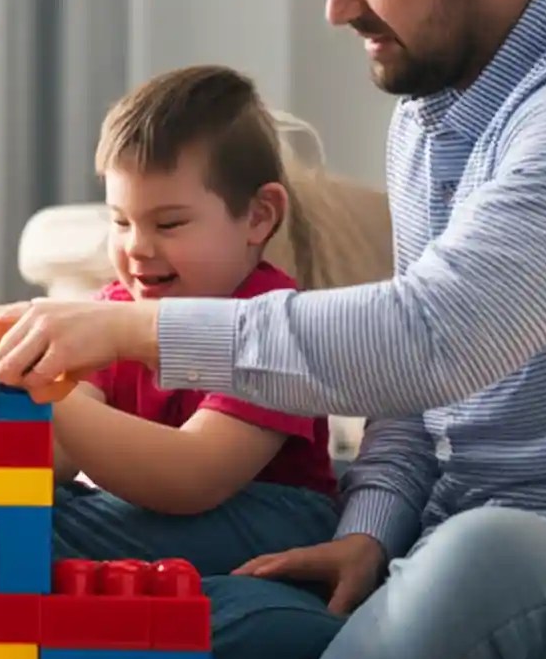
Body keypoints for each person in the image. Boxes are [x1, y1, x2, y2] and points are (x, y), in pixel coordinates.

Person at [0, 0, 546, 659]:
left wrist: (132, 329)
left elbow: (436, 334)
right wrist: (372, 528)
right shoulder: (428, 117)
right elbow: (418, 396)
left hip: (529, 529)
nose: (337, 7)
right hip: (443, 515)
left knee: (483, 553)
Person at [47, 65, 340, 581]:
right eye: (120, 221)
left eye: (169, 223)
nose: (136, 245)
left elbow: (195, 475)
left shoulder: (270, 318)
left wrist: (49, 395)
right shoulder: (111, 309)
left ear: (257, 217)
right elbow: (62, 454)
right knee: (5, 510)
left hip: (273, 518)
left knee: (42, 533)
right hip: (161, 524)